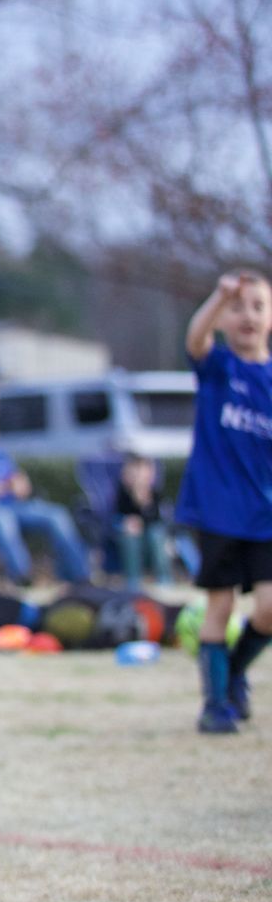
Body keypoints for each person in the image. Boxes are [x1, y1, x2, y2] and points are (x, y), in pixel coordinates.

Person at [177, 271, 272, 734]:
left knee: (269, 608)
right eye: (237, 308)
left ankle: (232, 673)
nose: (247, 315)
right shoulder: (218, 368)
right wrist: (218, 296)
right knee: (220, 606)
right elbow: (196, 339)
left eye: (258, 305)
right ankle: (215, 706)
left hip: (265, 514)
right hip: (217, 510)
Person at [0, 448, 92, 585]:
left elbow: (22, 487)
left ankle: (79, 576)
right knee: (3, 521)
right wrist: (1, 487)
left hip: (17, 506)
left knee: (57, 515)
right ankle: (22, 577)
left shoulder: (0, 455)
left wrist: (17, 486)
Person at [115, 452, 174, 589]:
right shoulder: (123, 493)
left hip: (151, 532)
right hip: (131, 533)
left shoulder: (154, 493)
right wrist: (128, 522)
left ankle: (164, 579)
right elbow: (119, 514)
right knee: (130, 537)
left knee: (156, 535)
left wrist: (144, 502)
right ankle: (133, 580)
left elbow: (156, 517)